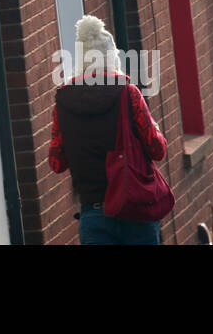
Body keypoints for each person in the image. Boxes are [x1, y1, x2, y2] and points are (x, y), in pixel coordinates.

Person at [49, 15, 167, 245]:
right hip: (135, 211)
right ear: (113, 56)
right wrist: (155, 128)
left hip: (93, 213)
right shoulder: (128, 93)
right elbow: (157, 149)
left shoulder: (63, 100)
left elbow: (57, 163)